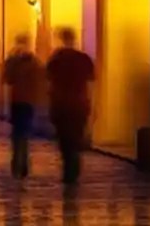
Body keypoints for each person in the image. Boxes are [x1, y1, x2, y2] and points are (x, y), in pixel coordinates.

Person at [46, 27, 95, 186]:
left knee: (64, 139)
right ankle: (73, 169)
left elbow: (48, 82)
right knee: (76, 137)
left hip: (61, 105)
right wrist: (91, 104)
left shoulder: (56, 59)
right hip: (79, 104)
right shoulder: (83, 58)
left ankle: (69, 169)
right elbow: (91, 83)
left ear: (60, 39)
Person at [2, 33, 43, 178]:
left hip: (18, 100)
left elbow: (7, 78)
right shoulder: (34, 61)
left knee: (18, 132)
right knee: (24, 132)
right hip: (28, 100)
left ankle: (17, 163)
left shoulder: (16, 61)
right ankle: (23, 163)